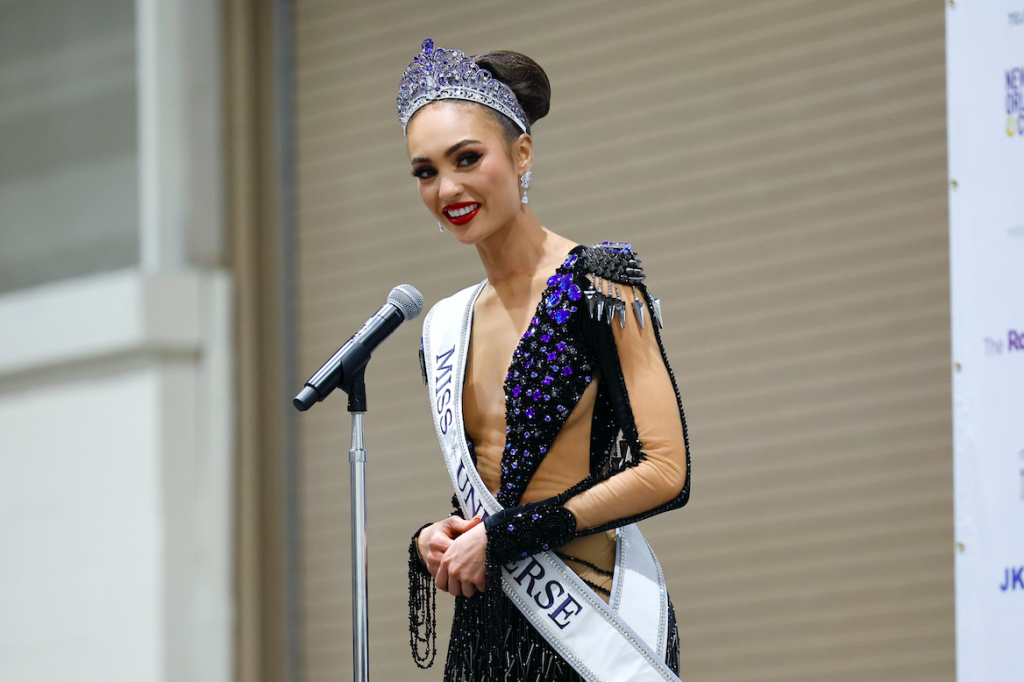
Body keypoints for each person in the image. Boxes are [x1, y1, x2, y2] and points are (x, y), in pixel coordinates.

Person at [400, 39, 691, 682]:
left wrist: (504, 538)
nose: (448, 188)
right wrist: (440, 536)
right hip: (486, 627)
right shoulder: (446, 325)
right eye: (425, 171)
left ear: (522, 151)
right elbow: (489, 483)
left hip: (589, 620)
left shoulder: (600, 282)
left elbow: (668, 470)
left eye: (468, 158)